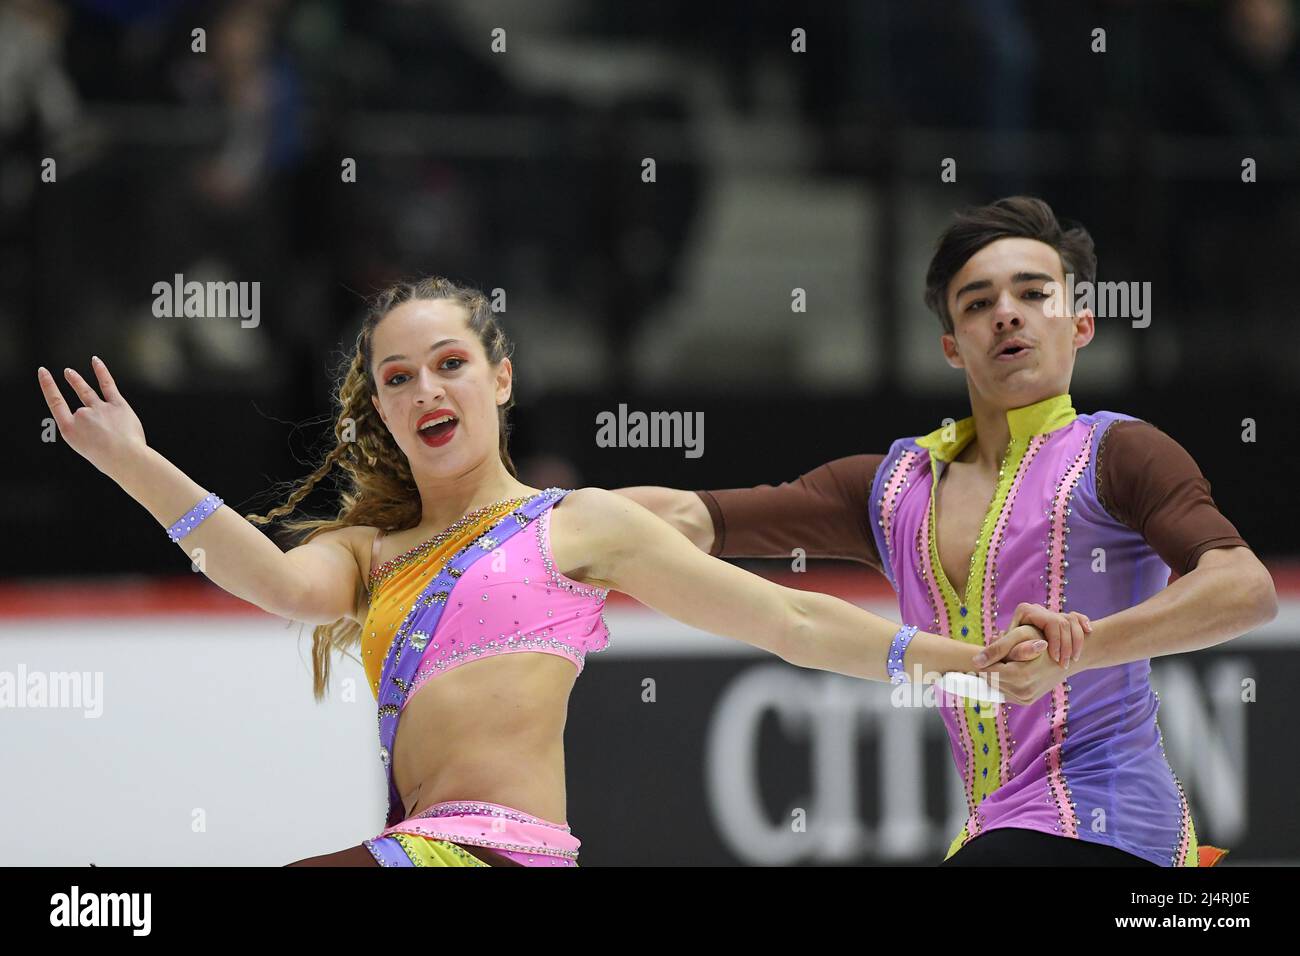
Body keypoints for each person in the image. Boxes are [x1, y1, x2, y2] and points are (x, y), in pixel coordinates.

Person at [35, 276, 1069, 868]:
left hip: (499, 852)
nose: (426, 389)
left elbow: (788, 621)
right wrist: (132, 459)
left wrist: (966, 661)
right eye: (397, 378)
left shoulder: (575, 525)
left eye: (449, 362)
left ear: (499, 377)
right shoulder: (365, 552)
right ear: (383, 413)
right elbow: (264, 577)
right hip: (414, 844)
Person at [618, 197, 1278, 867]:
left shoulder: (1122, 454)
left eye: (1033, 293)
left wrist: (1081, 649)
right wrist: (532, 513)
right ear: (952, 347)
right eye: (977, 303)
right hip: (995, 830)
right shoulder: (892, 488)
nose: (1007, 313)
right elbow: (688, 518)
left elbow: (1244, 587)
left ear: (1081, 323)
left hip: (1113, 826)